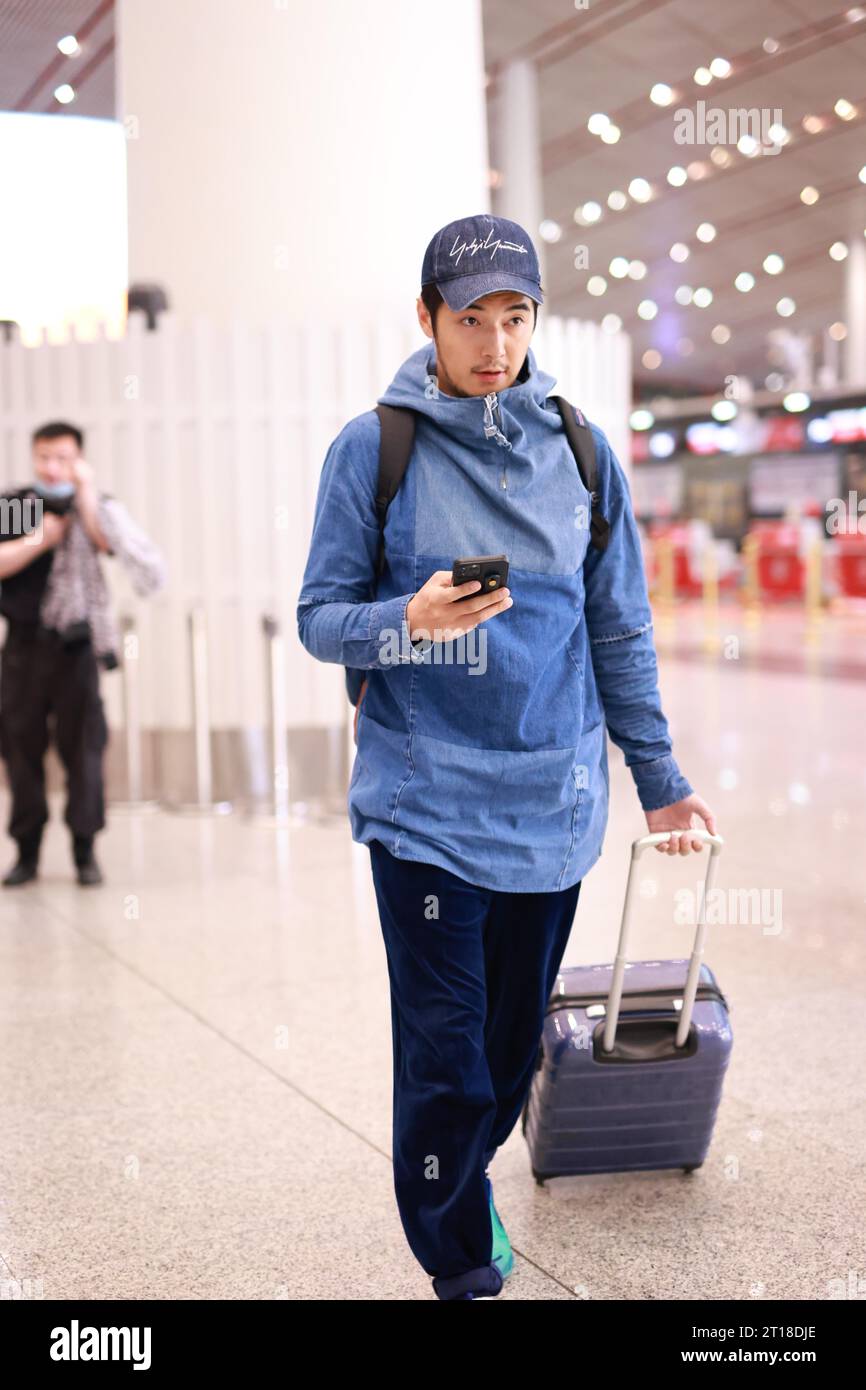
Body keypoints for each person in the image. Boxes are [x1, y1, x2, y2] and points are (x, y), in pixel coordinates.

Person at [296, 213, 718, 1300]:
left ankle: (469, 1166)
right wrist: (410, 622)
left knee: (505, 1044)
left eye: (513, 316)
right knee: (442, 1054)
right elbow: (317, 618)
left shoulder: (578, 451)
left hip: (552, 801)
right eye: (469, 318)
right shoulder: (373, 448)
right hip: (423, 806)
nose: (493, 342)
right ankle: (458, 1257)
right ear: (427, 320)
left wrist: (660, 782)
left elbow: (615, 628)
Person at [0, 421, 166, 886]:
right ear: (33, 457)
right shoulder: (18, 506)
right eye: (44, 456)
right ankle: (27, 851)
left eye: (63, 458)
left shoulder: (94, 507)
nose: (52, 466)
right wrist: (41, 540)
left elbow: (113, 546)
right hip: (23, 649)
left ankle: (84, 850)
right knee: (20, 752)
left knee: (85, 751)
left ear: (79, 459)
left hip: (75, 649)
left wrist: (87, 495)